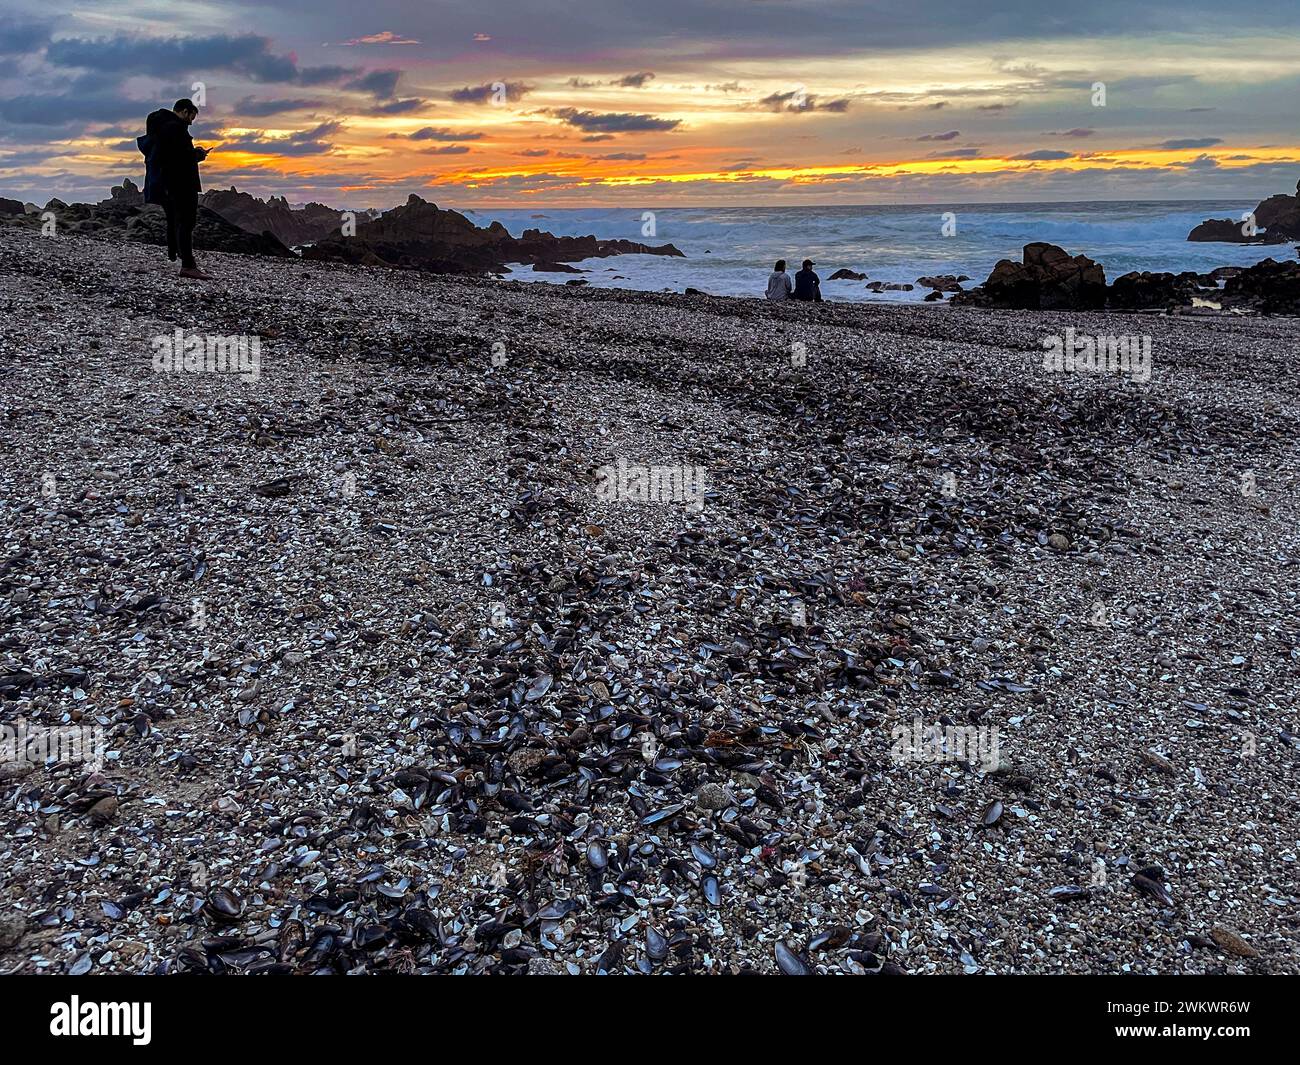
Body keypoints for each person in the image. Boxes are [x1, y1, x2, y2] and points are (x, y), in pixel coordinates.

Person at [138, 99, 212, 279]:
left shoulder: (160, 127)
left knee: (175, 221)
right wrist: (199, 155)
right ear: (185, 111)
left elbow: (169, 156)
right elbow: (179, 158)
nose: (191, 122)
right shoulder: (175, 129)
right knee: (186, 223)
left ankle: (177, 254)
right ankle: (187, 266)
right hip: (180, 184)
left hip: (166, 184)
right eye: (191, 117)